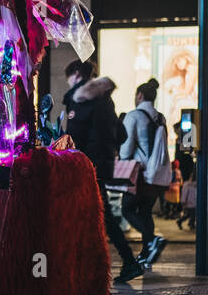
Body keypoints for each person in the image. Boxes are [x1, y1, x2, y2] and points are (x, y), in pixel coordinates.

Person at [63, 60, 146, 283]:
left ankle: (115, 264)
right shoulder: (105, 101)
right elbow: (121, 136)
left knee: (90, 216)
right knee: (98, 215)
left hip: (85, 166)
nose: (68, 82)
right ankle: (120, 263)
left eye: (69, 78)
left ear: (77, 75)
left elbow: (73, 138)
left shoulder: (78, 100)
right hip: (101, 166)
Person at [119, 78, 170, 267]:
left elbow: (126, 150)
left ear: (140, 95)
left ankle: (152, 240)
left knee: (127, 209)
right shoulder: (160, 117)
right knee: (146, 211)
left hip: (139, 174)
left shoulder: (133, 116)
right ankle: (147, 255)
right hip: (158, 173)